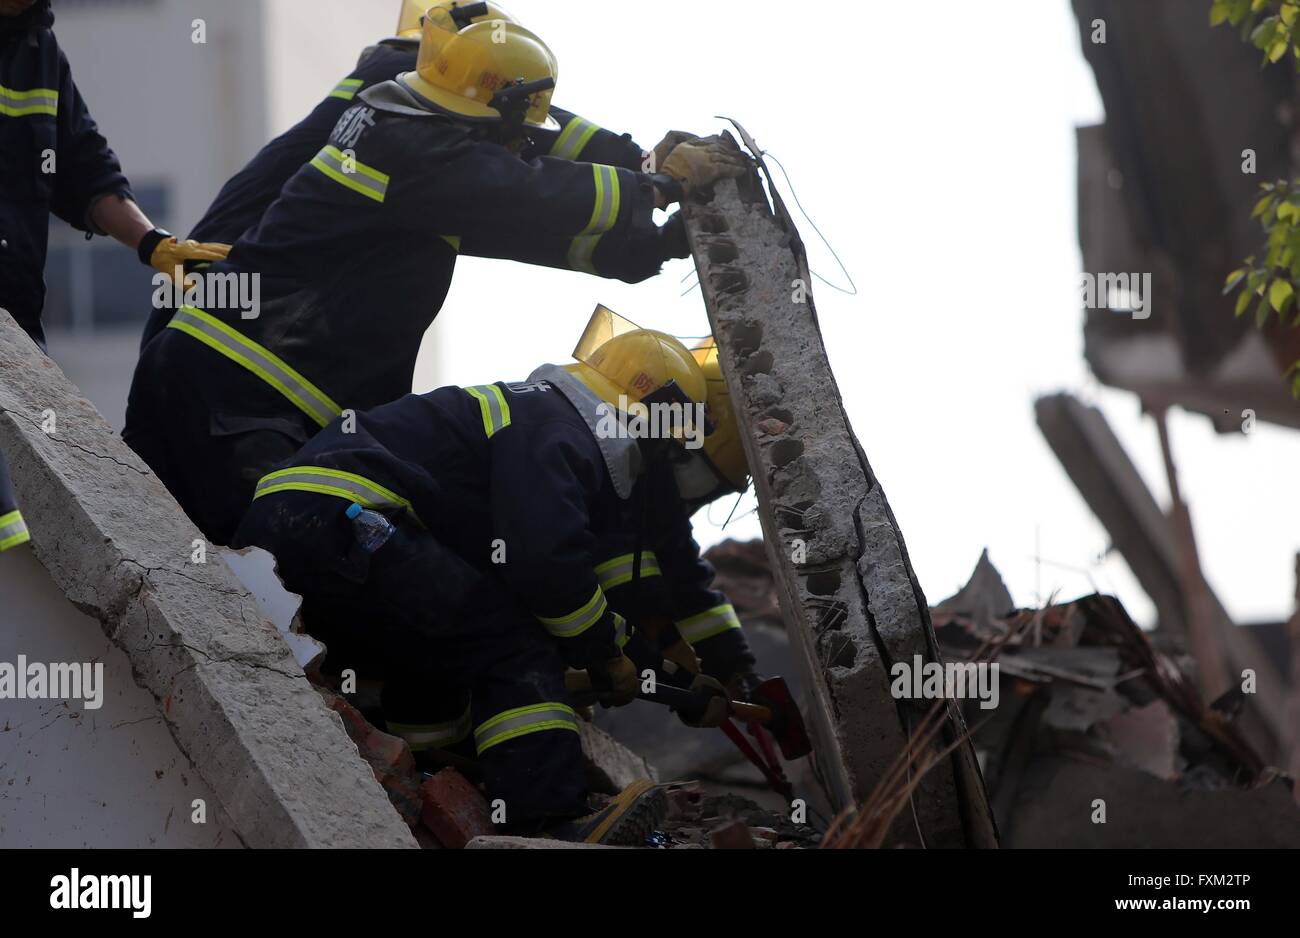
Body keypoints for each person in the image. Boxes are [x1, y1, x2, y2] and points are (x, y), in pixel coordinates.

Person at [123, 7, 746, 545]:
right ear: (484, 114)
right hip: (233, 400)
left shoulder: (414, 144)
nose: (525, 145)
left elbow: (520, 228)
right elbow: (515, 192)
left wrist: (647, 246)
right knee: (272, 586)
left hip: (233, 390)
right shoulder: (406, 148)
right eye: (519, 133)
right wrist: (654, 184)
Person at [231, 306, 757, 843]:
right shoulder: (562, 431)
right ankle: (549, 823)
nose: (661, 462)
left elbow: (540, 583)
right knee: (514, 645)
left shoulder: (535, 414)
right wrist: (603, 654)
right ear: (657, 410)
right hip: (353, 519)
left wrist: (664, 677)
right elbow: (550, 574)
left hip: (306, 525)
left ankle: (432, 781)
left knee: (445, 649)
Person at [138, 0, 653, 348]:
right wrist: (646, 170)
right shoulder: (406, 98)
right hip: (226, 317)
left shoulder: (396, 121)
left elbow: (498, 218)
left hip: (215, 311)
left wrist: (627, 247)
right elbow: (525, 154)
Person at [0, 0, 227, 553]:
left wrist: (153, 244)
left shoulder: (40, 53)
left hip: (16, 323)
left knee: (35, 506)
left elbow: (86, 171)